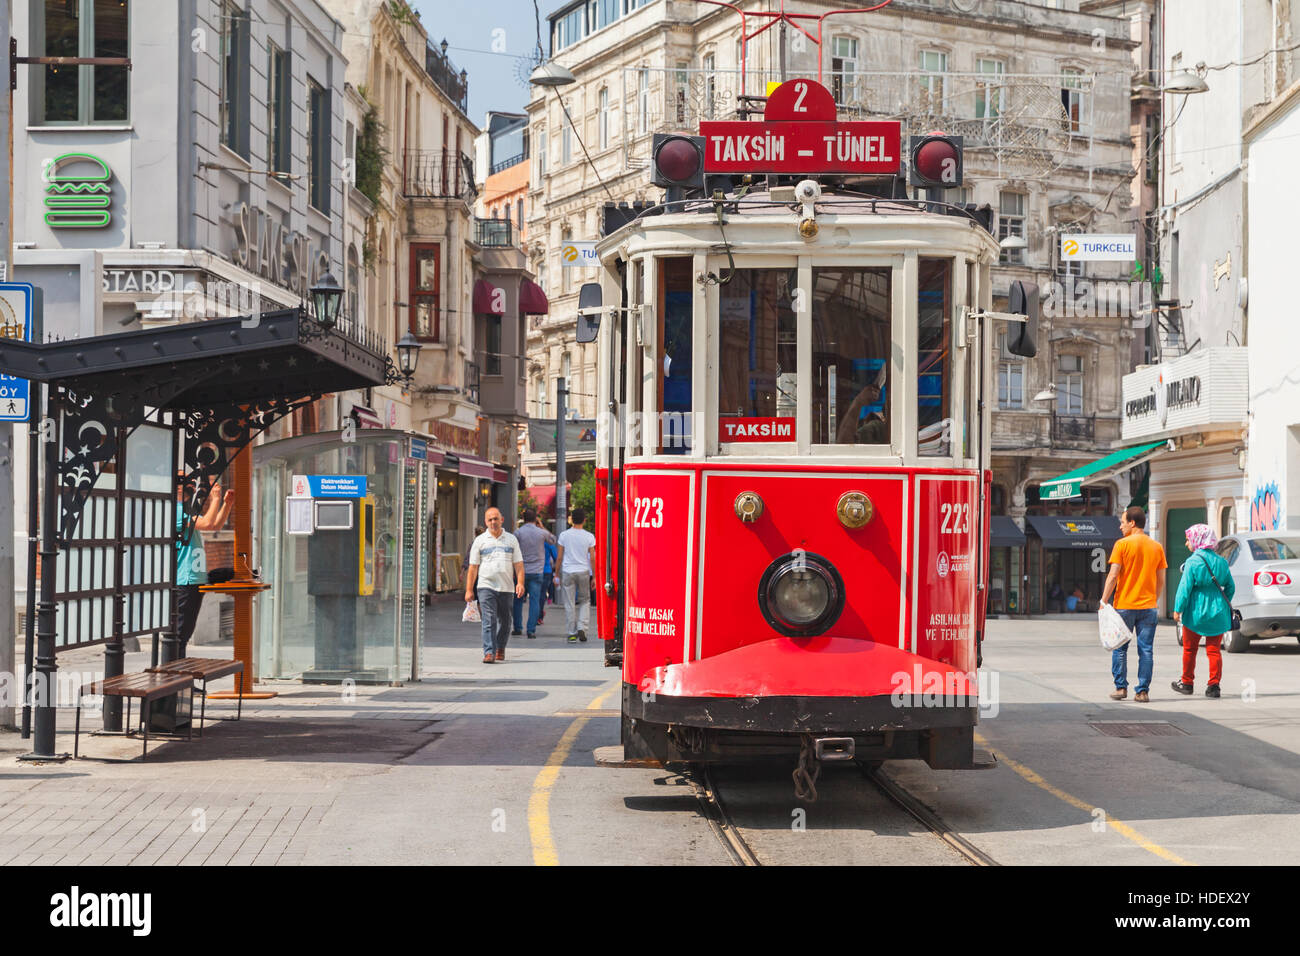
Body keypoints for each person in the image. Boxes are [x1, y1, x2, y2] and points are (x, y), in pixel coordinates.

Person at [1100, 505, 1167, 702]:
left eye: (1122, 522)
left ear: (1132, 523)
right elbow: (1161, 579)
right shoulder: (1157, 547)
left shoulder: (1122, 545)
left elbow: (1113, 575)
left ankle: (1121, 688)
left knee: (1120, 648)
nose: (1120, 526)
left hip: (1125, 606)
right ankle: (1143, 691)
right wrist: (1154, 599)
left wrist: (1104, 600)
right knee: (1146, 649)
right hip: (1148, 607)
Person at [1171, 524, 1235, 699]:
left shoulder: (1192, 562)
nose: (1186, 543)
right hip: (1218, 612)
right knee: (1214, 651)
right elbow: (1230, 587)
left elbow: (1184, 589)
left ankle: (1187, 682)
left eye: (1188, 539)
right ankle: (1214, 686)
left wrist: (1178, 609)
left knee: (1189, 650)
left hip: (1195, 612)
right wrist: (1222, 601)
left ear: (1198, 540)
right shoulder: (1221, 561)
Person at [176, 476, 235, 655]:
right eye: (184, 481)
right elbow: (208, 524)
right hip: (184, 578)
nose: (191, 484)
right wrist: (215, 498)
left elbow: (215, 524)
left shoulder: (187, 511)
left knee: (185, 633)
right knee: (180, 634)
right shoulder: (176, 511)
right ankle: (175, 676)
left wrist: (227, 503)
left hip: (194, 578)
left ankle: (179, 677)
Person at [464, 508, 524, 663]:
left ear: (501, 519)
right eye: (490, 520)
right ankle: (489, 652)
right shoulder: (480, 541)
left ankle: (500, 647)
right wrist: (469, 589)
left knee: (506, 621)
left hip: (507, 587)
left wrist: (520, 583)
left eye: (495, 519)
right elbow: (473, 567)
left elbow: (518, 564)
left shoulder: (511, 539)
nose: (493, 522)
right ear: (486, 522)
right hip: (486, 585)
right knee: (489, 619)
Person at [555, 508, 597, 644]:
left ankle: (571, 633)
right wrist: (594, 576)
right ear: (585, 520)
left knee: (569, 602)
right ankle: (582, 627)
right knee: (585, 600)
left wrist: (556, 573)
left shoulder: (564, 535)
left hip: (568, 571)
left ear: (571, 519)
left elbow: (560, 557)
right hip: (584, 571)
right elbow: (593, 558)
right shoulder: (589, 536)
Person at [512, 508, 555, 639]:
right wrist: (542, 527)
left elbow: (512, 550)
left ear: (523, 518)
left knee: (517, 600)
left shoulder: (518, 533)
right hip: (537, 572)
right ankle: (531, 630)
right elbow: (553, 540)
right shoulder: (541, 533)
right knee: (535, 601)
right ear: (535, 518)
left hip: (521, 572)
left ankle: (518, 627)